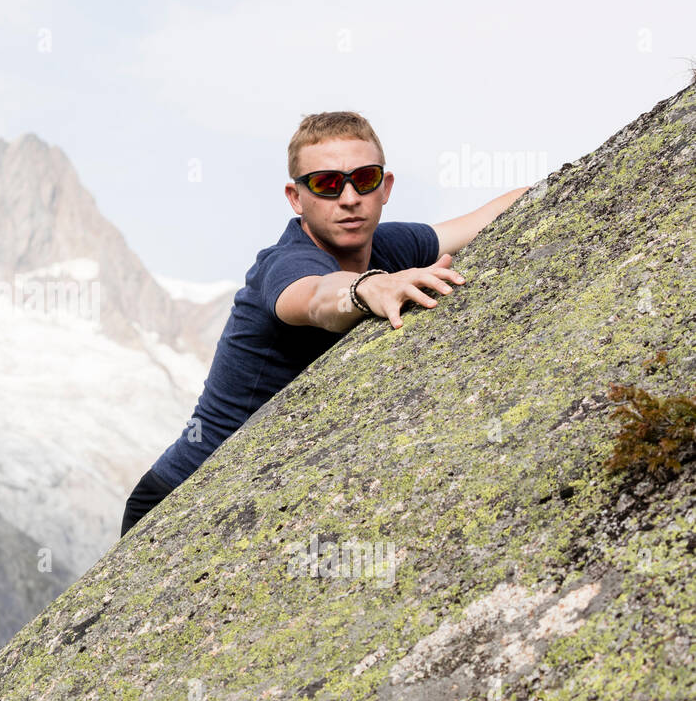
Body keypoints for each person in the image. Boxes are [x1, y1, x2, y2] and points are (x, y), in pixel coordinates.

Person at [120, 110, 530, 537]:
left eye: (364, 178)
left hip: (261, 488)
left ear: (384, 187)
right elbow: (316, 298)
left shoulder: (391, 245)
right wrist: (369, 289)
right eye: (327, 184)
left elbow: (482, 219)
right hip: (178, 497)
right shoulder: (283, 263)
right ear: (296, 198)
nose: (349, 197)